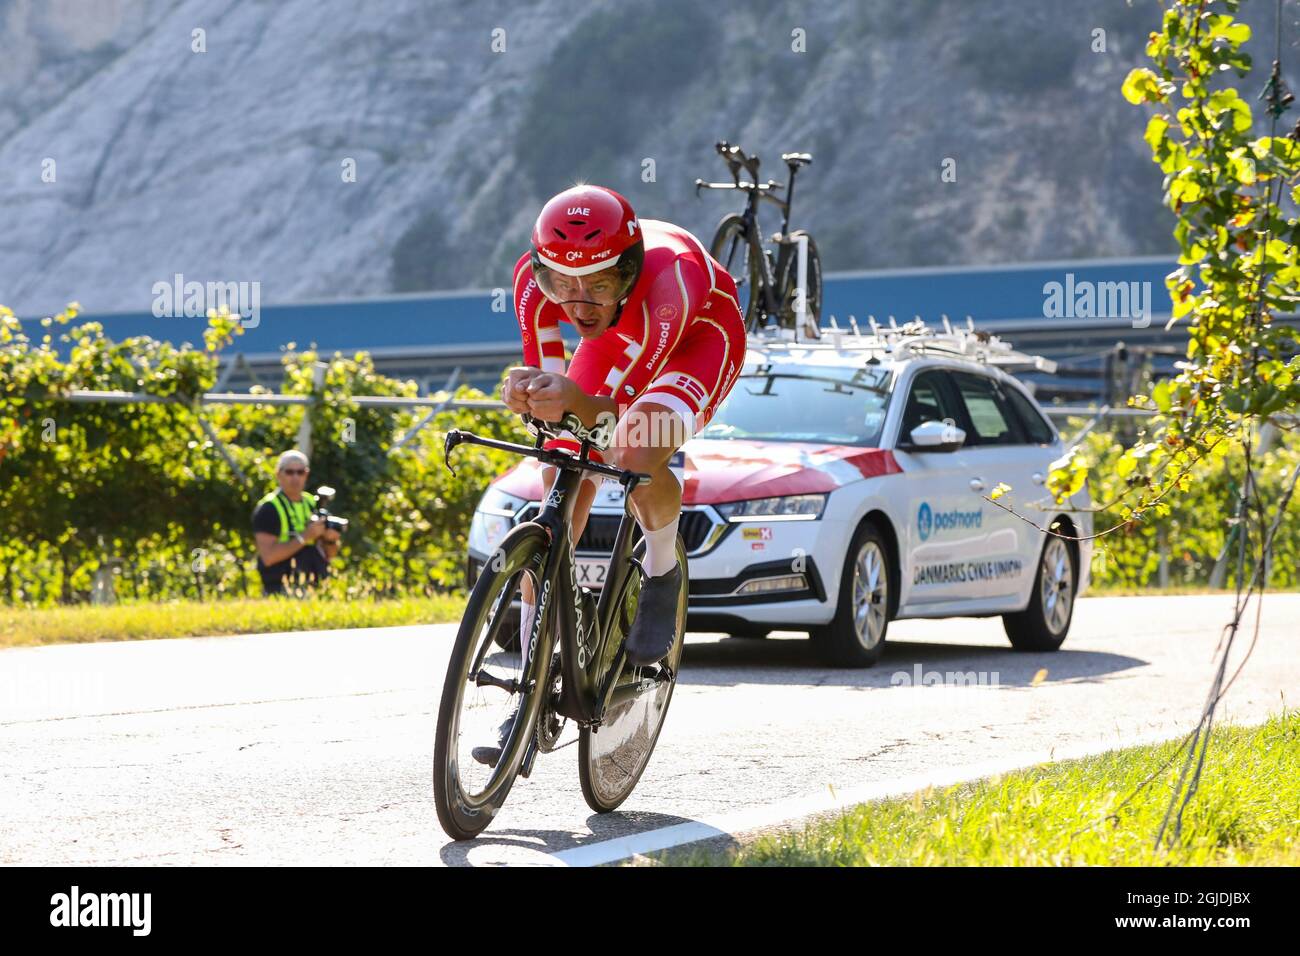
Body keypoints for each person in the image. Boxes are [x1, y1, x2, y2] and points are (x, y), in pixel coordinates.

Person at [505, 183, 746, 666]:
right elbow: (552, 388)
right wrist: (528, 394)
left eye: (598, 285)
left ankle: (661, 569)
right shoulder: (533, 284)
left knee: (636, 449)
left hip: (694, 340)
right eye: (564, 287)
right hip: (618, 339)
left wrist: (576, 405)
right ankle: (532, 675)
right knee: (560, 467)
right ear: (544, 271)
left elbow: (613, 416)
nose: (578, 304)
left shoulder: (671, 285)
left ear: (627, 272)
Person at [251, 450, 341, 596]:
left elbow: (330, 554)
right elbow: (268, 558)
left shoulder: (313, 503)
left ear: (307, 474)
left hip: (316, 588)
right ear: (278, 474)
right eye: (290, 472)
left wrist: (330, 540)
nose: (295, 477)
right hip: (280, 590)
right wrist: (305, 537)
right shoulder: (268, 508)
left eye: (300, 472)